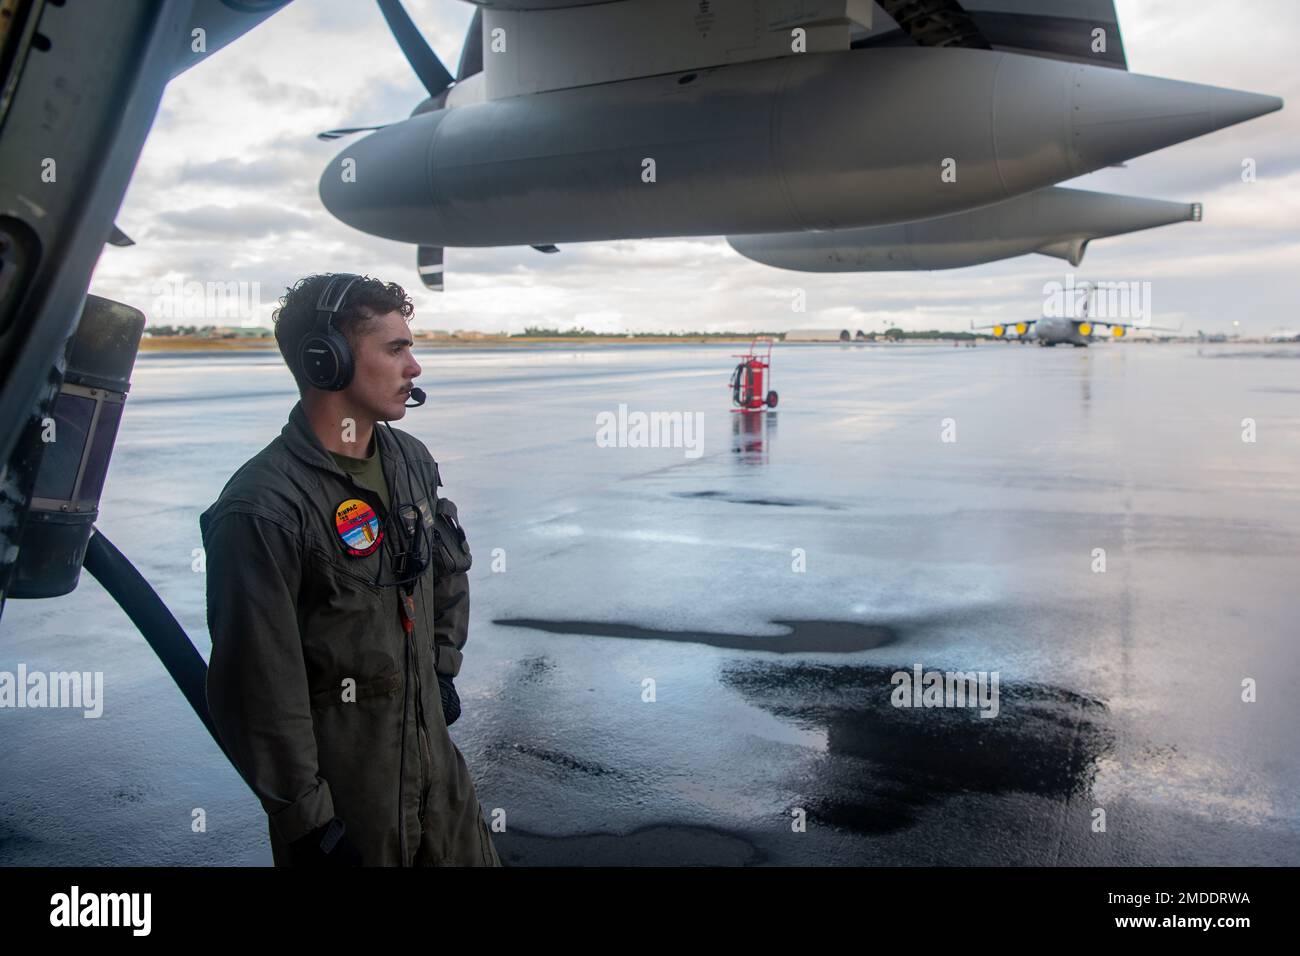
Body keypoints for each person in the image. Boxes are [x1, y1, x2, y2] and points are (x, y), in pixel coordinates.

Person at [199, 273, 499, 866]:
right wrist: (309, 824)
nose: (414, 366)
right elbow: (258, 691)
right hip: (351, 808)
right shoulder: (263, 508)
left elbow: (447, 571)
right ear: (326, 360)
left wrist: (441, 666)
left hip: (441, 785)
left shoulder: (408, 459)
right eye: (395, 349)